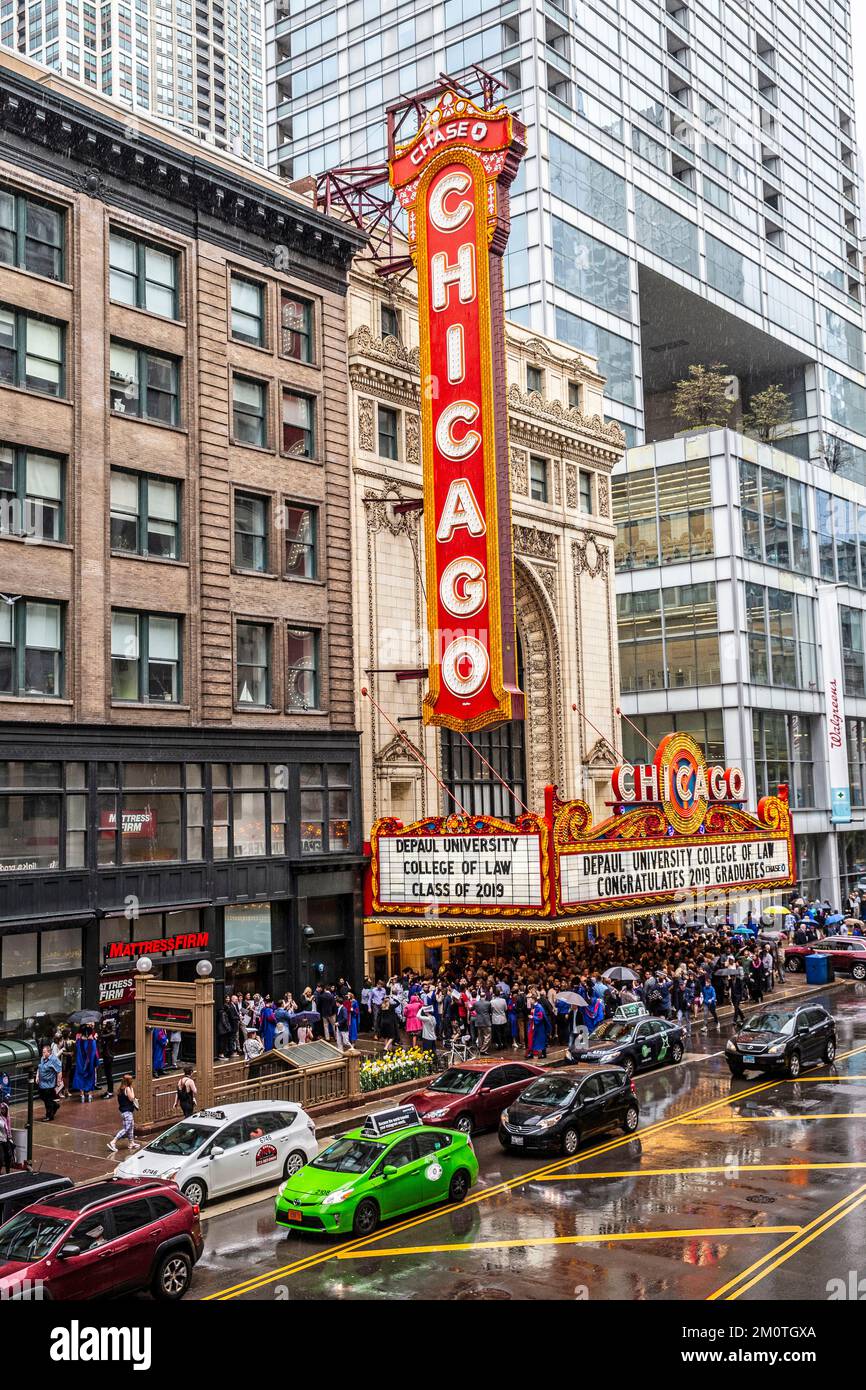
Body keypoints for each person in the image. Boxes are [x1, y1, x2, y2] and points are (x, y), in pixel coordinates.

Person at [108, 1075, 139, 1154]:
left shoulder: (120, 1089)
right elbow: (131, 1098)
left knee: (131, 1126)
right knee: (126, 1129)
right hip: (127, 1112)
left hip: (124, 1112)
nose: (132, 1081)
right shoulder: (127, 1089)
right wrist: (131, 1088)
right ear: (129, 1081)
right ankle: (113, 1142)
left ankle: (131, 1143)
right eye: (131, 1080)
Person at [72, 1026, 99, 1103]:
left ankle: (82, 1095)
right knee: (90, 1079)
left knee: (81, 1079)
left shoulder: (78, 1043)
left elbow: (76, 1052)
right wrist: (96, 1063)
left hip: (80, 1065)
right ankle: (90, 1095)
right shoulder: (93, 1043)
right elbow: (94, 1054)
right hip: (89, 1065)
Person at [36, 1045, 61, 1120]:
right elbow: (39, 1067)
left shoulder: (54, 1060)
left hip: (49, 1084)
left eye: (44, 1052)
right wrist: (37, 1076)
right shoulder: (42, 1058)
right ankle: (55, 1105)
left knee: (48, 1101)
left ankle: (49, 1116)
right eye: (42, 1052)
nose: (43, 1053)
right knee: (42, 1096)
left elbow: (59, 1071)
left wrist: (58, 1081)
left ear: (49, 1052)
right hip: (41, 1083)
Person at [526, 995, 549, 1059]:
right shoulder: (534, 1006)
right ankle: (532, 1052)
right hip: (534, 1025)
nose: (530, 1001)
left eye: (531, 999)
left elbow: (540, 1017)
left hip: (539, 1027)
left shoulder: (539, 1007)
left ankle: (543, 1054)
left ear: (534, 1000)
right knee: (533, 1039)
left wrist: (532, 1017)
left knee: (540, 1040)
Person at [99, 1020, 116, 1099]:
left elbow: (102, 1036)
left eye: (105, 1024)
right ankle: (109, 1090)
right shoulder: (108, 1032)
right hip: (106, 1055)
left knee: (109, 1075)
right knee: (107, 1074)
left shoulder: (112, 1034)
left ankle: (110, 1092)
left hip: (109, 1056)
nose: (103, 1025)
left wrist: (102, 1030)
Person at [0, 1097, 13, 1173]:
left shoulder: (7, 1118)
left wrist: (10, 1137)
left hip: (7, 1140)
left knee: (8, 1157)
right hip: (0, 1141)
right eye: (2, 1108)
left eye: (4, 1109)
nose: (3, 1110)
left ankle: (8, 1172)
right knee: (1, 1159)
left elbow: (9, 1129)